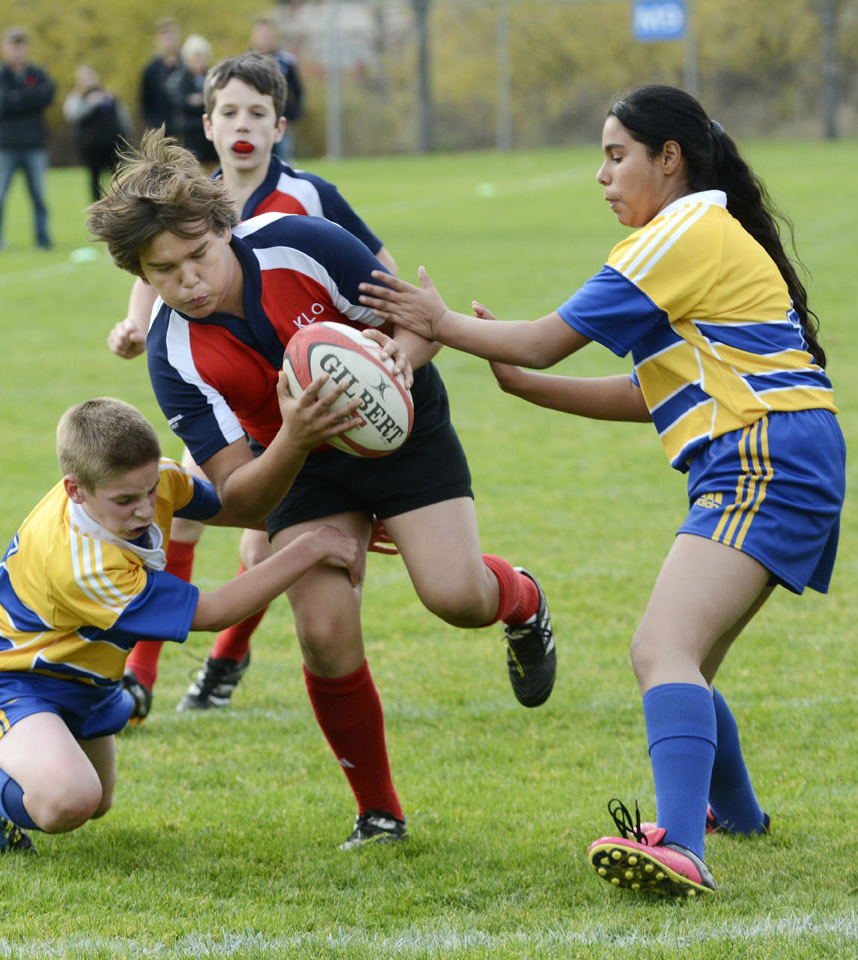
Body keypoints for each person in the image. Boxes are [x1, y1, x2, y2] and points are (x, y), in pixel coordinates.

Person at [358, 84, 844, 895]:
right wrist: (523, 385)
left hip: (764, 455)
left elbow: (543, 339)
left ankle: (681, 848)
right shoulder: (700, 234)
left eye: (616, 155)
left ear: (669, 158)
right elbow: (653, 391)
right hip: (780, 449)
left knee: (660, 650)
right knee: (687, 662)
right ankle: (737, 816)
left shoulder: (679, 231)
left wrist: (436, 321)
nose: (601, 175)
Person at [86, 132, 556, 849]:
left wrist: (389, 366)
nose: (190, 281)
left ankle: (520, 599)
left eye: (199, 255)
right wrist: (297, 437)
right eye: (164, 271)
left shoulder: (300, 243)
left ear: (223, 228)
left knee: (457, 598)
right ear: (139, 276)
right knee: (323, 631)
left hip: (399, 425)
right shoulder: (171, 354)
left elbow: (423, 326)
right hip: (297, 466)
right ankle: (379, 813)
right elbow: (240, 496)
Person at [0, 397, 361, 854]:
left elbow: (237, 509)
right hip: (2, 674)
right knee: (69, 800)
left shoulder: (147, 478)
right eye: (125, 501)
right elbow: (213, 611)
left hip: (81, 676)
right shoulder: (87, 566)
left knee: (97, 801)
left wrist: (320, 514)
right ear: (74, 490)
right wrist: (310, 545)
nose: (144, 510)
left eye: (149, 492)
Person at [108, 52, 399, 717]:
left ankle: (224, 658)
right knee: (183, 509)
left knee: (262, 540)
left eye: (257, 113)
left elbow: (378, 271)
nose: (243, 124)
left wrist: (377, 346)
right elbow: (151, 270)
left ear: (279, 126)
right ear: (208, 125)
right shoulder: (183, 201)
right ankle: (141, 677)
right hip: (230, 397)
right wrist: (133, 326)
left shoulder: (307, 199)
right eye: (230, 112)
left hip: (316, 403)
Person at [0, 27, 56, 252]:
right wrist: (31, 97)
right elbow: (3, 102)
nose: (17, 51)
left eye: (21, 46)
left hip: (34, 144)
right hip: (5, 145)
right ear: (4, 49)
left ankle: (43, 240)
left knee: (39, 196)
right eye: (13, 46)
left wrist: (19, 96)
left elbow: (49, 94)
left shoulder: (36, 73)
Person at [63, 65, 135, 202]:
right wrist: (89, 104)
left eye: (90, 77)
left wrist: (126, 136)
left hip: (113, 145)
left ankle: (120, 205)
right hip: (91, 147)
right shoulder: (77, 97)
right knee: (94, 177)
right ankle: (97, 206)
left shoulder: (108, 95)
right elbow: (72, 116)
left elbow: (123, 116)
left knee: (118, 177)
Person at [250, 17, 302, 163]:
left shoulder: (286, 61)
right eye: (260, 33)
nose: (264, 37)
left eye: (267, 33)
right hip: (253, 121)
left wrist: (292, 115)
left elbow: (298, 91)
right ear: (253, 36)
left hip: (279, 120)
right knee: (255, 158)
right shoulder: (244, 62)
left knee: (284, 159)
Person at [173, 34, 217, 170]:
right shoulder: (181, 79)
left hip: (209, 131)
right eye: (195, 57)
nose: (198, 61)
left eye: (201, 57)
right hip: (191, 132)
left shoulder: (212, 77)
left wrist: (197, 100)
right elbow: (180, 102)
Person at [139, 17, 183, 135]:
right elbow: (145, 103)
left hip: (188, 129)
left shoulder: (188, 65)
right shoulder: (151, 70)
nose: (168, 38)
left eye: (171, 33)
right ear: (157, 39)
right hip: (162, 130)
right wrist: (155, 125)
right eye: (163, 34)